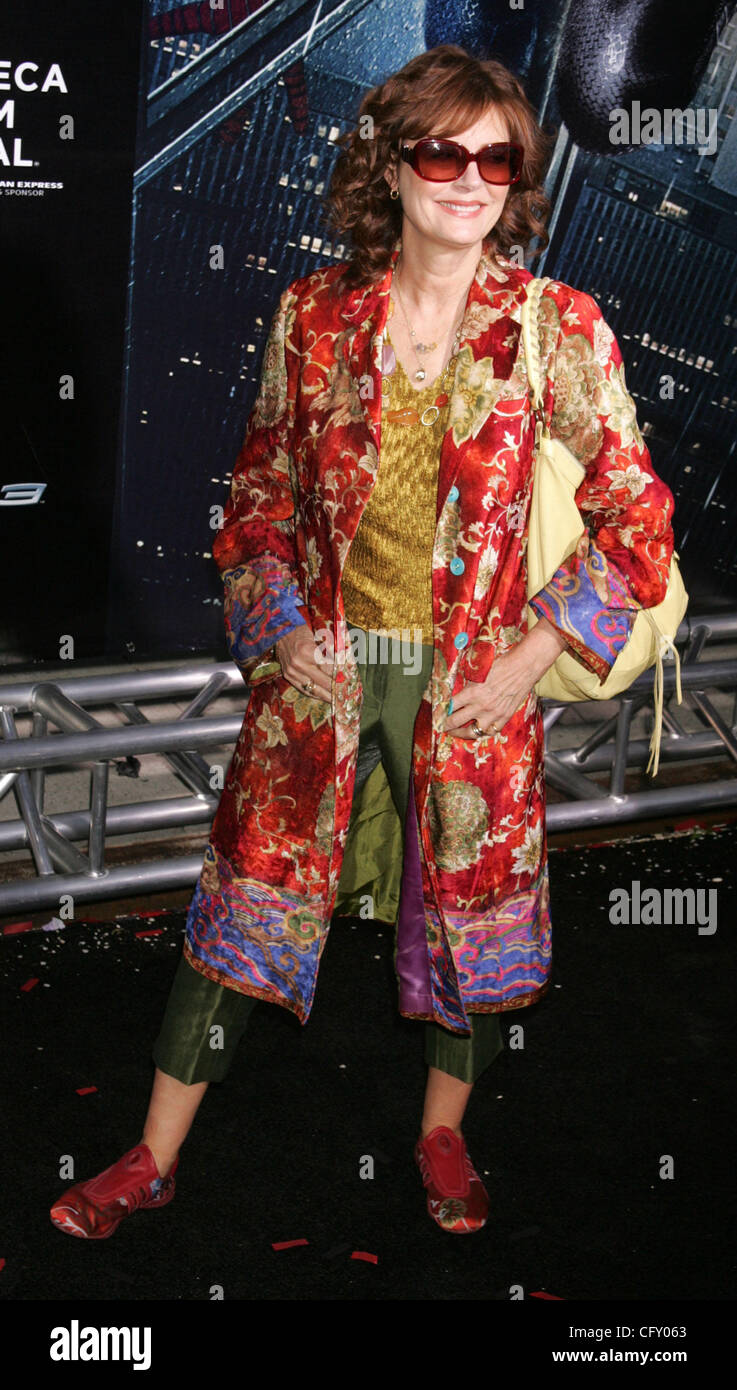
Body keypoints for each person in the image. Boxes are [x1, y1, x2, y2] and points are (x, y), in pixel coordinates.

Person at [50, 44, 675, 1241]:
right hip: (324, 680)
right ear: (389, 167)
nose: (468, 178)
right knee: (243, 910)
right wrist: (282, 635)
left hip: (474, 686)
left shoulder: (553, 328)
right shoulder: (314, 315)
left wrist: (530, 656)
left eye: (496, 157)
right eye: (441, 150)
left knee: (466, 914)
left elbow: (634, 518)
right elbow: (257, 499)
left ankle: (442, 1135)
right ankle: (150, 1152)